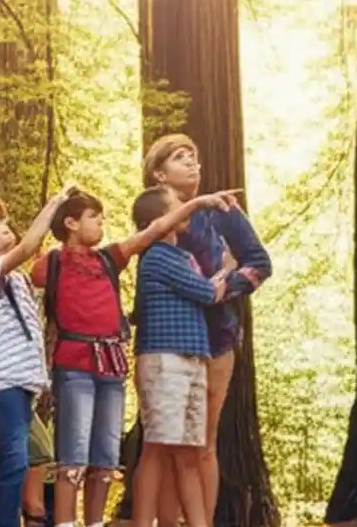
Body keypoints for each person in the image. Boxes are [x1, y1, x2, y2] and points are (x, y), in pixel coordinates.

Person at [29, 187, 240, 527]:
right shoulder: (51, 263)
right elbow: (27, 250)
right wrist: (52, 204)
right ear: (70, 223)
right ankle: (66, 522)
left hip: (112, 365)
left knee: (105, 457)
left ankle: (94, 522)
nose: (101, 223)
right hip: (74, 363)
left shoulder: (109, 258)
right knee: (73, 453)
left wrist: (194, 205)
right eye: (93, 217)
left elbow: (152, 232)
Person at [142, 135, 272, 525]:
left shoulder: (224, 212)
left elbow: (260, 263)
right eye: (180, 157)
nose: (192, 162)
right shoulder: (154, 215)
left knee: (202, 442)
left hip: (216, 336)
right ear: (159, 173)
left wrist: (223, 289)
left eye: (194, 155)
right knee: (163, 445)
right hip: (165, 340)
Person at [0, 190, 68, 527]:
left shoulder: (12, 278)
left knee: (6, 458)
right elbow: (28, 247)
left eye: (1, 220)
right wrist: (53, 206)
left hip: (14, 381)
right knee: (14, 461)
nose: (2, 226)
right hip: (1, 381)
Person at [128, 186, 234, 527]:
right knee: (158, 447)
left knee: (188, 452)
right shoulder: (157, 255)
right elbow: (206, 292)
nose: (185, 209)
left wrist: (219, 273)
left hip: (191, 360)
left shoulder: (178, 257)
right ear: (159, 220)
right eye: (177, 205)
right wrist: (227, 269)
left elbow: (204, 288)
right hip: (165, 362)